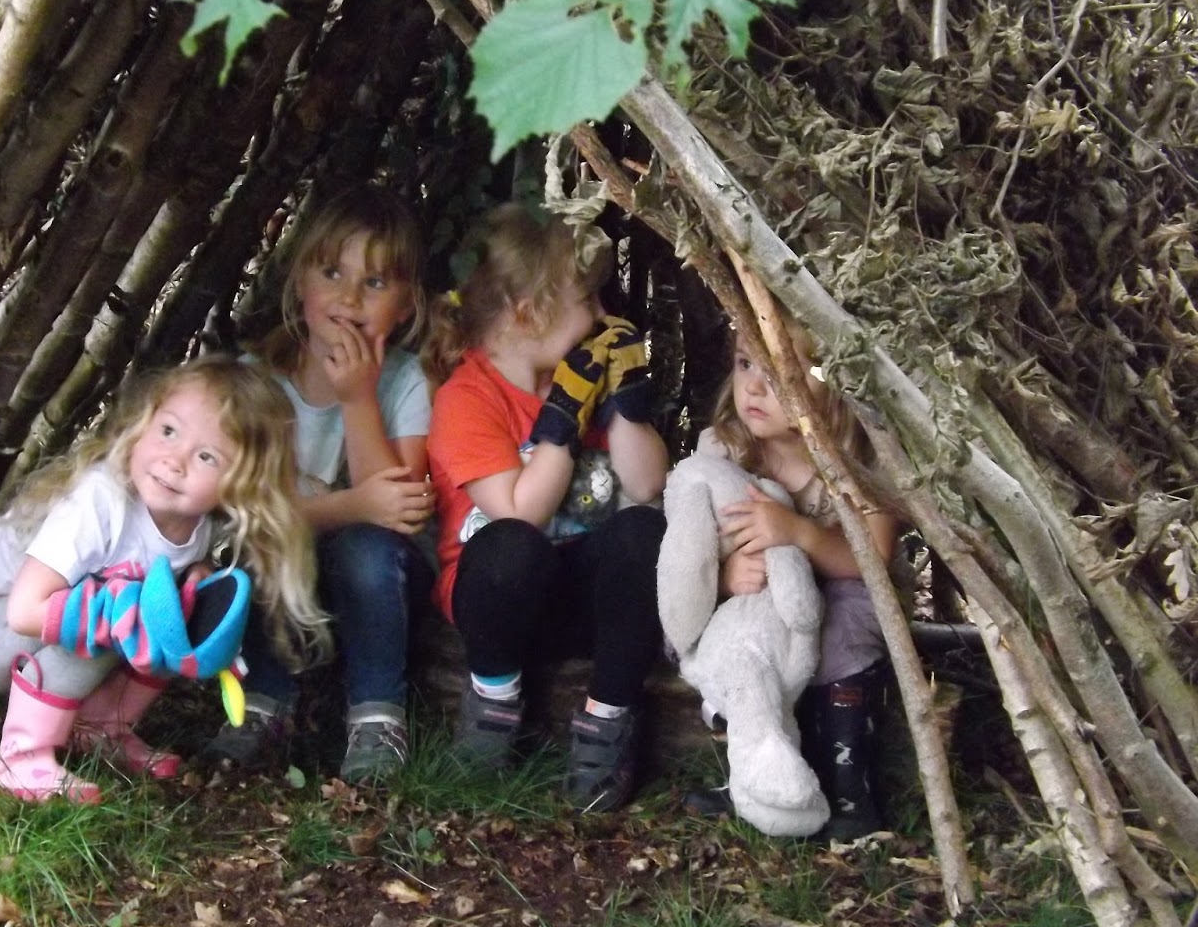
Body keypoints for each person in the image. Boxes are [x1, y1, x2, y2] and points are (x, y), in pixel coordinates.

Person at [0, 358, 327, 803]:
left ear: (240, 485)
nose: (174, 461)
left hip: (8, 632)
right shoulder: (101, 502)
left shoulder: (202, 526)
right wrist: (117, 615)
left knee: (166, 614)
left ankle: (100, 729)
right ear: (142, 425)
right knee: (110, 610)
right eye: (169, 431)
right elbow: (25, 611)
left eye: (207, 456)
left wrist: (190, 596)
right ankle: (19, 758)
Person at [425, 204, 669, 813]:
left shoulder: (587, 375)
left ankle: (608, 718)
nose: (602, 316)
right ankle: (494, 702)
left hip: (579, 599)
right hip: (499, 605)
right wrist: (561, 420)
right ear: (529, 313)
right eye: (587, 301)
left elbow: (645, 486)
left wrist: (625, 409)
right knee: (509, 546)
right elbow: (519, 514)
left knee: (646, 532)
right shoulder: (467, 399)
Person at [204, 187, 434, 784]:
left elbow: (400, 512)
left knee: (366, 546)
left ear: (406, 307)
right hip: (280, 571)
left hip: (377, 582)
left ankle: (377, 716)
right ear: (300, 281)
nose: (350, 298)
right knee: (261, 544)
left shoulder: (407, 382)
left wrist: (359, 396)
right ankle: (263, 706)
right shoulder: (260, 382)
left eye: (376, 284)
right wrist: (354, 505)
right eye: (332, 272)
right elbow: (251, 512)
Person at [689, 322, 902, 839]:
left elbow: (873, 556)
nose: (754, 388)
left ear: (835, 385)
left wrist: (800, 535)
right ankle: (752, 778)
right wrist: (723, 577)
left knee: (839, 634)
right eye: (745, 365)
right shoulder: (725, 451)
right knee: (735, 645)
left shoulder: (859, 461)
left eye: (781, 375)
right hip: (758, 601)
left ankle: (850, 792)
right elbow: (690, 547)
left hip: (841, 590)